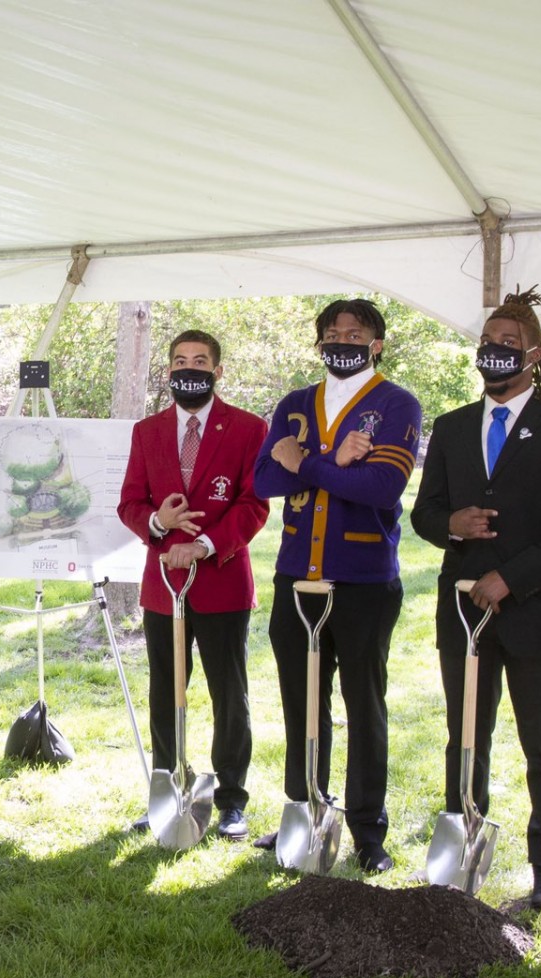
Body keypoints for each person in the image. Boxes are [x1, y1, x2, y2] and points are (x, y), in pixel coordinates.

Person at [410, 287, 541, 908]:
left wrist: (512, 579)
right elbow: (425, 512)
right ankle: (462, 850)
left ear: (534, 354)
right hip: (462, 607)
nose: (494, 351)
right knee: (465, 734)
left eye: (508, 344)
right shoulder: (452, 426)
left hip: (532, 610)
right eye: (488, 341)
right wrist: (450, 525)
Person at [252, 299, 422, 873]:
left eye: (354, 333)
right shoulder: (297, 404)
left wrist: (305, 462)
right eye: (331, 332)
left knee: (364, 703)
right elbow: (262, 479)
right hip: (297, 575)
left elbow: (380, 486)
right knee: (303, 702)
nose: (341, 340)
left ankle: (368, 832)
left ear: (376, 343)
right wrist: (330, 460)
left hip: (364, 579)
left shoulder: (396, 404)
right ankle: (304, 813)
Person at [117, 329, 271, 840]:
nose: (190, 368)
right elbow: (130, 504)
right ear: (169, 371)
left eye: (200, 361)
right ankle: (169, 790)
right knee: (165, 693)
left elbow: (254, 505)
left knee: (230, 694)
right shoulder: (148, 431)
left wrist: (204, 544)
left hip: (222, 582)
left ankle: (231, 801)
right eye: (180, 361)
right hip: (164, 585)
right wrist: (158, 524)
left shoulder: (249, 429)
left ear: (217, 371)